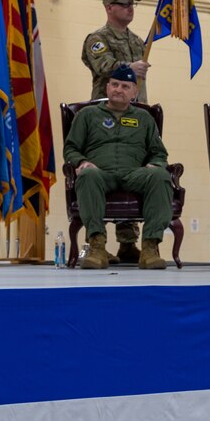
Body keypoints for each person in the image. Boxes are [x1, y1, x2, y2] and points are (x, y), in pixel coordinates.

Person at [64, 64, 173, 270]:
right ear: (107, 87)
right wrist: (81, 162)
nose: (118, 90)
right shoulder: (87, 115)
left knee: (160, 176)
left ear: (134, 92)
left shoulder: (144, 118)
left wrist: (155, 164)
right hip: (99, 173)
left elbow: (159, 152)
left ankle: (150, 248)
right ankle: (97, 247)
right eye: (114, 84)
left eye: (125, 86)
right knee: (87, 175)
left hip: (133, 173)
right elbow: (71, 148)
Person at [80, 0, 151, 262]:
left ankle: (128, 241)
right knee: (107, 169)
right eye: (124, 4)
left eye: (133, 4)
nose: (130, 8)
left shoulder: (137, 40)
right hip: (106, 114)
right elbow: (102, 66)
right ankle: (98, 243)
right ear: (109, 7)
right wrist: (129, 68)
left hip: (137, 112)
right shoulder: (97, 38)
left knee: (134, 170)